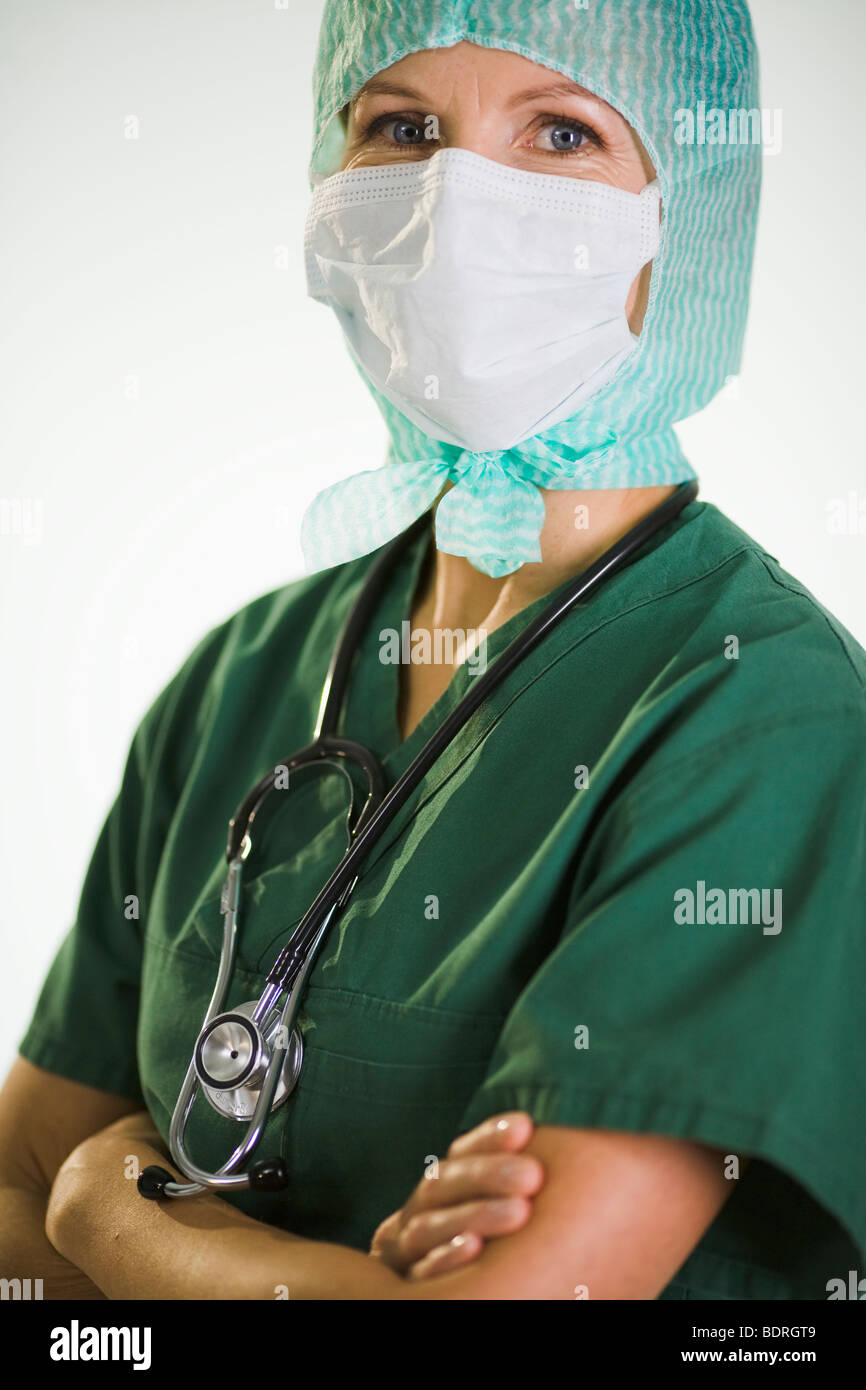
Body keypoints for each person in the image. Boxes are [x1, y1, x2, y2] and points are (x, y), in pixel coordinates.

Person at [2, 0, 864, 1301]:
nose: (457, 203)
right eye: (402, 129)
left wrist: (108, 1217)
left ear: (691, 215)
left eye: (561, 133)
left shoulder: (761, 708)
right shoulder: (242, 673)